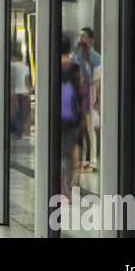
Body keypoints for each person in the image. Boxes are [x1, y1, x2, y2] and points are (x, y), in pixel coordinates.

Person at [58, 35, 87, 200]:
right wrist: (83, 115)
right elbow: (82, 92)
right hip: (72, 116)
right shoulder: (75, 68)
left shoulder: (51, 66)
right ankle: (67, 187)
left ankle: (58, 184)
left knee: (56, 151)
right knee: (70, 152)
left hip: (55, 116)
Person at [72, 27, 101, 171]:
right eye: (80, 36)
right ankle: (81, 159)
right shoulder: (75, 56)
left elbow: (97, 81)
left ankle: (92, 160)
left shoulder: (96, 58)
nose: (81, 39)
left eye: (83, 36)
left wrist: (96, 100)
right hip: (76, 95)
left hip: (89, 94)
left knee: (89, 128)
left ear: (90, 39)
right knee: (79, 128)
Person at [10, 52, 31, 138]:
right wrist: (28, 92)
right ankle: (20, 131)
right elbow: (27, 81)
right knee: (22, 113)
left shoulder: (12, 66)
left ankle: (16, 130)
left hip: (15, 92)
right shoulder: (26, 67)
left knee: (15, 112)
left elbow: (12, 80)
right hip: (24, 92)